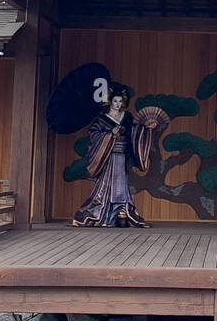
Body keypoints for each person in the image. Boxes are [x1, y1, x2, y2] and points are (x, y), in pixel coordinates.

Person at [69, 83, 169, 228]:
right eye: (115, 101)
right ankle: (101, 214)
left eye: (120, 101)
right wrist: (110, 135)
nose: (117, 104)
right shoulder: (102, 119)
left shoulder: (127, 117)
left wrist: (146, 128)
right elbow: (94, 134)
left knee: (121, 185)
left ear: (123, 102)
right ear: (110, 101)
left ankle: (121, 213)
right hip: (106, 156)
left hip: (122, 155)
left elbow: (134, 131)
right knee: (104, 186)